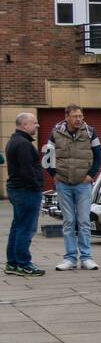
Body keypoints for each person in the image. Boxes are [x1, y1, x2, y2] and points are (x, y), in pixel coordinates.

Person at [42, 104, 101, 271]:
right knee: (68, 222)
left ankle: (86, 258)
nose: (79, 119)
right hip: (63, 184)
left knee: (83, 222)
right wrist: (55, 176)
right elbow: (47, 158)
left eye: (81, 116)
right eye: (75, 116)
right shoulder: (55, 133)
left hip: (83, 184)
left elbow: (98, 155)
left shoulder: (90, 132)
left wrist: (91, 175)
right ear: (67, 117)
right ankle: (69, 259)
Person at [5, 113, 46, 277]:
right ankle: (23, 263)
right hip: (26, 191)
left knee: (17, 227)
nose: (38, 126)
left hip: (17, 189)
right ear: (24, 125)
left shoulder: (15, 141)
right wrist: (36, 186)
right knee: (25, 228)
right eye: (34, 123)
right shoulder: (23, 144)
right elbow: (27, 170)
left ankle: (12, 263)